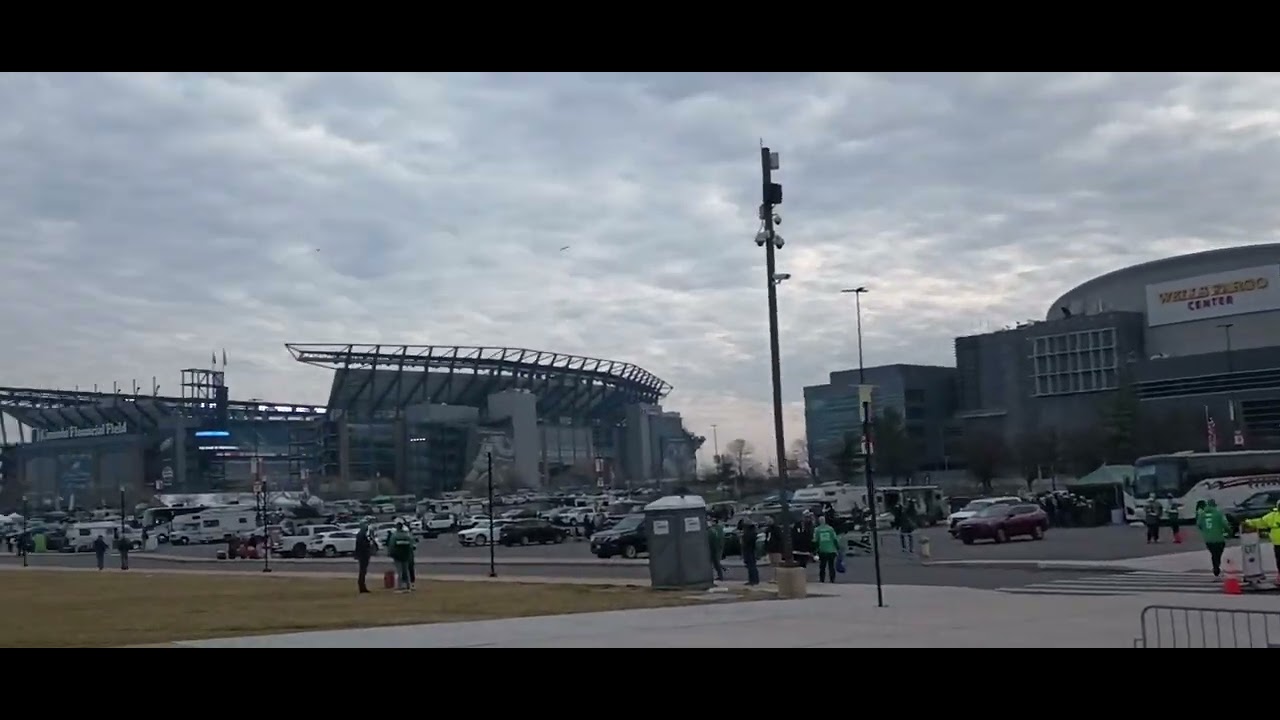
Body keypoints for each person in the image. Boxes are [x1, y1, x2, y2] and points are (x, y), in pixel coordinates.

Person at [1242, 501, 1280, 582]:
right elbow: (1261, 522)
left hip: (1277, 543)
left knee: (1279, 560)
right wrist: (1249, 522)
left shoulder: (1273, 516)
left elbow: (1261, 522)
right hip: (1277, 543)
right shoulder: (1272, 516)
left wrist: (1249, 522)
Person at [1196, 498, 1228, 577]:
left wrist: (1205, 531)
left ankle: (1216, 566)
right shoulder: (1218, 514)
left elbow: (1199, 524)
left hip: (1208, 539)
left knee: (1213, 553)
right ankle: (1216, 566)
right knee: (1218, 553)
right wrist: (1229, 532)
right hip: (1219, 538)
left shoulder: (1202, 514)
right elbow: (1225, 525)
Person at [388, 522, 415, 591]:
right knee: (406, 571)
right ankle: (408, 585)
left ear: (397, 527)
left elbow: (391, 545)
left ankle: (399, 586)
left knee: (399, 571)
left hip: (397, 555)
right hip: (406, 555)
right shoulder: (407, 535)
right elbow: (411, 545)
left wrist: (390, 553)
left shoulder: (394, 536)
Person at [813, 516, 841, 584]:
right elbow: (835, 539)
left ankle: (822, 579)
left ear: (819, 522)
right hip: (831, 550)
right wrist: (837, 547)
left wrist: (815, 549)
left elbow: (815, 540)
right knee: (831, 566)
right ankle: (832, 579)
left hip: (822, 550)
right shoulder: (830, 529)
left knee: (822, 566)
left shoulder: (817, 530)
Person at [354, 521, 373, 593]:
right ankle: (362, 586)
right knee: (362, 571)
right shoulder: (361, 535)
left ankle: (362, 586)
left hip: (363, 555)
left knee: (363, 571)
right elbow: (362, 545)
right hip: (363, 555)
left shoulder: (362, 534)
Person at [740, 519, 760, 586]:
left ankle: (753, 580)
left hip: (749, 550)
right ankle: (754, 580)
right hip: (750, 550)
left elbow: (747, 542)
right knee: (751, 565)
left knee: (751, 566)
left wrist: (743, 539)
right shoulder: (752, 532)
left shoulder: (749, 533)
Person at [763, 517, 783, 582]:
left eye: (769, 519)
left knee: (777, 564)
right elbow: (767, 539)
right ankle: (773, 578)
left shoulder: (777, 529)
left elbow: (780, 538)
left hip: (777, 549)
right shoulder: (768, 530)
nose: (768, 521)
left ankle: (778, 578)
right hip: (770, 549)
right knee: (772, 564)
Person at [707, 517, 725, 582]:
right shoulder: (712, 529)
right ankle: (720, 573)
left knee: (716, 561)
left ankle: (721, 575)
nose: (711, 522)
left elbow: (719, 538)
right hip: (713, 547)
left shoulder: (717, 529)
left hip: (717, 547)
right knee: (715, 562)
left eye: (712, 521)